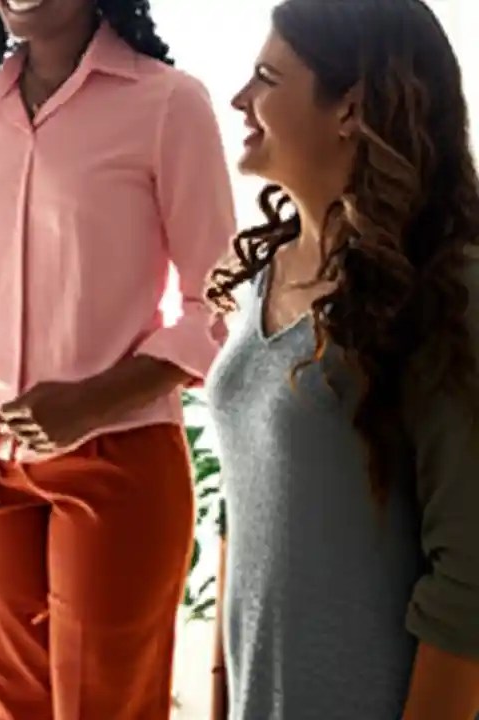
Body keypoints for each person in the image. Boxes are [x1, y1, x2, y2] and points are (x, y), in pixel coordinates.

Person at [0, 0, 236, 717]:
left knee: (107, 706)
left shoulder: (167, 103)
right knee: (5, 706)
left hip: (119, 457)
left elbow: (216, 302)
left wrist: (92, 401)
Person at [203, 0, 479, 718]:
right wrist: (219, 695)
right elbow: (245, 512)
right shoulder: (265, 274)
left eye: (267, 77)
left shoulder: (448, 292)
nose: (240, 98)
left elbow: (471, 578)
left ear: (349, 106)